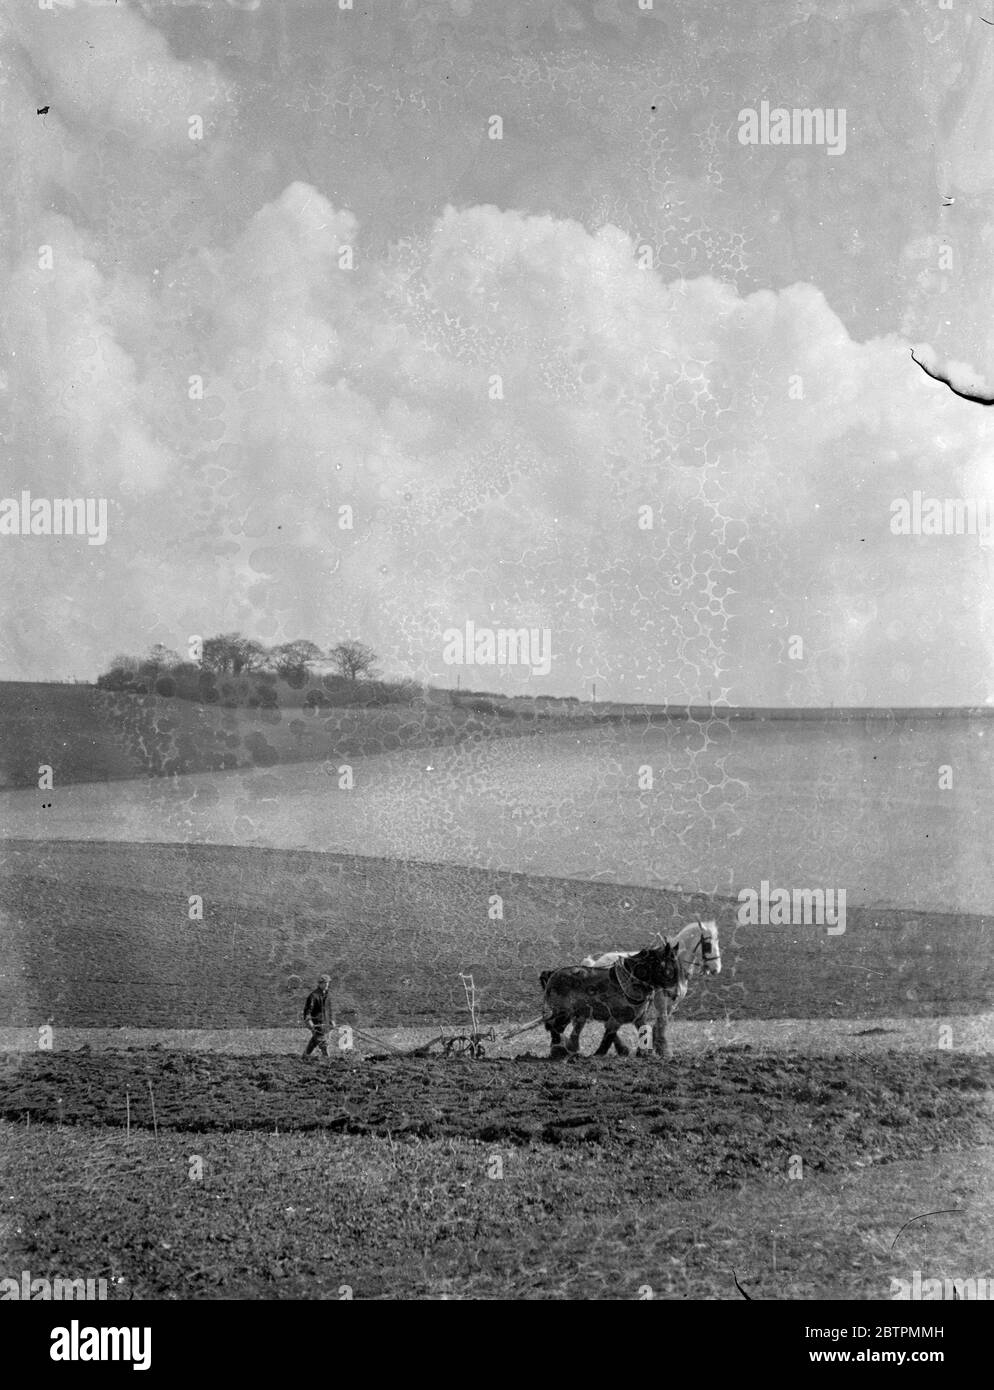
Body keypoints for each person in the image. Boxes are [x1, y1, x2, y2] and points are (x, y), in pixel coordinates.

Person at [302, 974, 336, 1057]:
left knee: (315, 1039)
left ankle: (305, 1055)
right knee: (322, 1043)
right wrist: (309, 1021)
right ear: (320, 984)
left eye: (327, 983)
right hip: (316, 1023)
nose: (327, 984)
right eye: (325, 983)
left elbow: (329, 1009)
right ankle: (328, 1060)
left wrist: (332, 1020)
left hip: (325, 1022)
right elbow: (308, 1010)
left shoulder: (327, 995)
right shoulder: (313, 996)